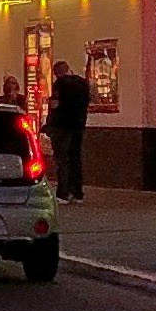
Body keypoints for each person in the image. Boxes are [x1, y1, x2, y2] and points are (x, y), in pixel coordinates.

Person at [44, 57, 92, 203]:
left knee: (62, 159)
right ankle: (77, 193)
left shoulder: (60, 84)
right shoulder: (82, 83)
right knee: (75, 158)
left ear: (56, 73)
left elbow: (55, 106)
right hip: (78, 125)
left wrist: (49, 124)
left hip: (62, 127)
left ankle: (63, 193)